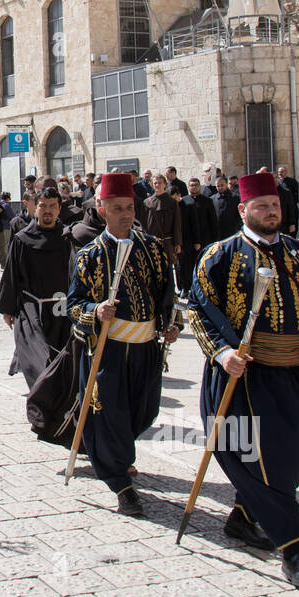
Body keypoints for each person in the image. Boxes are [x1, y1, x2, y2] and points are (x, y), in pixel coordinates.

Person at [188, 171, 299, 589]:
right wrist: (223, 353)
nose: (270, 212)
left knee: (290, 458)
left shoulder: (298, 253)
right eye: (261, 206)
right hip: (244, 379)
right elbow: (199, 311)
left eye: (274, 205)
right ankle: (294, 550)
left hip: (295, 375)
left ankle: (242, 519)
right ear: (243, 210)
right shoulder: (219, 256)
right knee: (263, 461)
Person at [67, 173, 179, 517]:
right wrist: (95, 310)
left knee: (143, 412)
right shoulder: (90, 255)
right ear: (102, 209)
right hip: (109, 350)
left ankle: (120, 456)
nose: (126, 214)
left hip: (145, 348)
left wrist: (171, 324)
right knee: (111, 417)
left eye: (129, 207)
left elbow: (166, 294)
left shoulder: (154, 249)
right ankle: (121, 484)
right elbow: (73, 305)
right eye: (117, 208)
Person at [0, 187, 73, 391]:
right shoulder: (22, 239)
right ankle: (41, 402)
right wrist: (8, 309)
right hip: (32, 310)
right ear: (34, 208)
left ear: (59, 209)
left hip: (61, 310)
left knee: (61, 358)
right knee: (37, 359)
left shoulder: (67, 239)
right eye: (43, 206)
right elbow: (11, 274)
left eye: (52, 206)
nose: (48, 210)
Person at [180, 178, 218, 294]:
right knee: (186, 265)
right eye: (191, 185)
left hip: (204, 238)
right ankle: (186, 287)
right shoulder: (184, 201)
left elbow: (213, 221)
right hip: (188, 239)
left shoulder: (207, 201)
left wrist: (215, 240)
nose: (194, 187)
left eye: (196, 185)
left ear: (200, 186)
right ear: (188, 187)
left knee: (203, 264)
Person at [142, 171, 183, 260]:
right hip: (151, 242)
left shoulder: (172, 202)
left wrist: (177, 243)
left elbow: (177, 223)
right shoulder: (147, 202)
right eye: (155, 183)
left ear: (165, 184)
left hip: (167, 242)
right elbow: (143, 224)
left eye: (160, 183)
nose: (157, 185)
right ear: (152, 185)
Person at [211, 174, 241, 239]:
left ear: (226, 184)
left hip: (231, 232)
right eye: (218, 186)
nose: (220, 188)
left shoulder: (235, 198)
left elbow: (239, 215)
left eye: (222, 185)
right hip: (217, 233)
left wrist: (235, 226)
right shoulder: (212, 199)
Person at [0, 192, 14, 268]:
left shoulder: (1, 206)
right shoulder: (6, 205)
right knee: (4, 245)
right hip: (3, 228)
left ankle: (4, 263)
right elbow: (12, 216)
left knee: (2, 247)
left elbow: (4, 216)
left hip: (0, 229)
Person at [276, 166, 298, 236]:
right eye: (279, 172)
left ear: (286, 172)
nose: (280, 173)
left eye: (282, 172)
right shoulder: (278, 182)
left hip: (290, 207)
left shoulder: (292, 181)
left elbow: (297, 193)